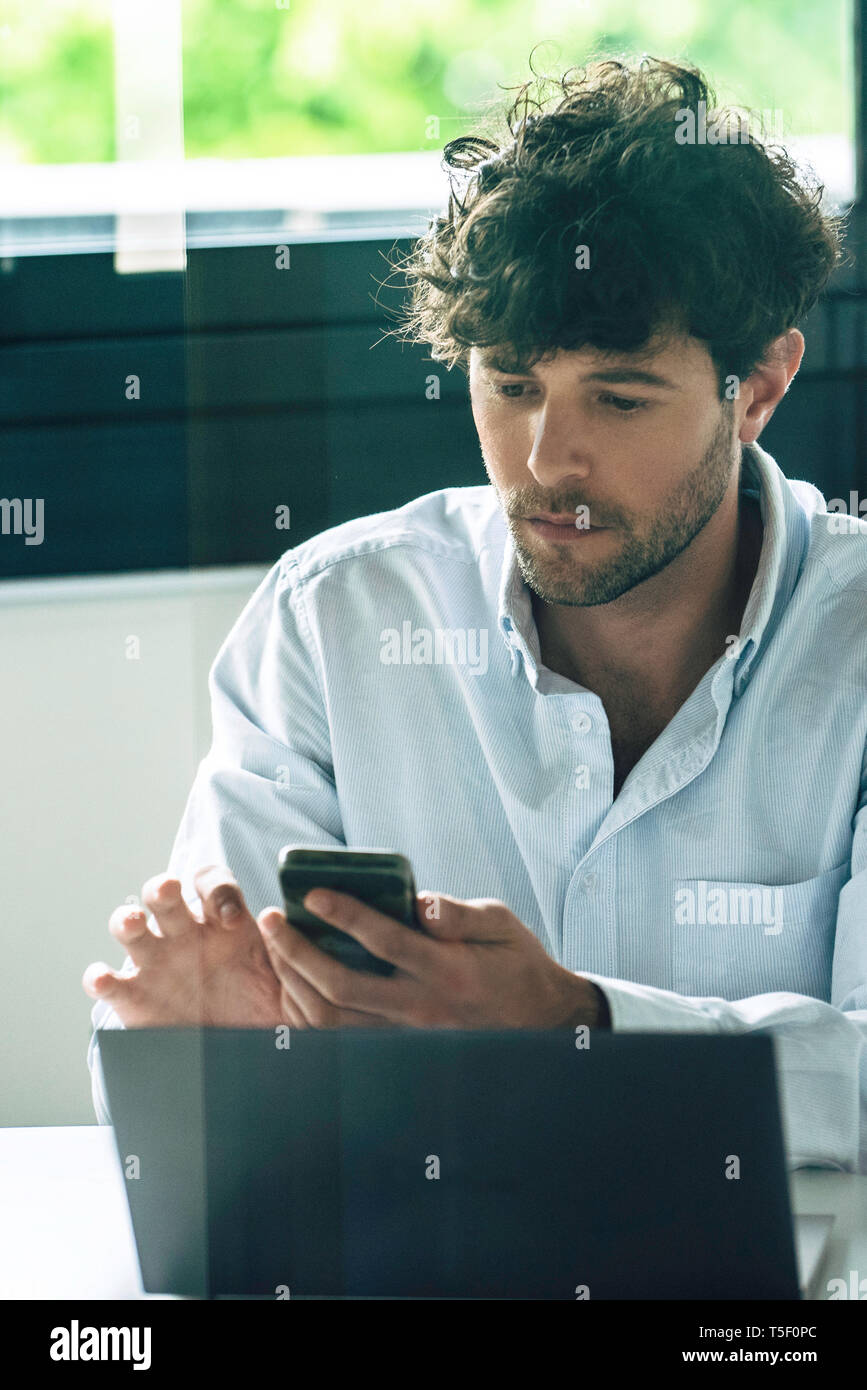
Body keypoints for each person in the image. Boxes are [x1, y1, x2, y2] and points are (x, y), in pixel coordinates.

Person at [85, 56, 867, 1172]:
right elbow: (176, 1087)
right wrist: (205, 1046)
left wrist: (579, 1027)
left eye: (621, 395)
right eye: (510, 384)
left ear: (763, 387)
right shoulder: (335, 620)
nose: (549, 461)